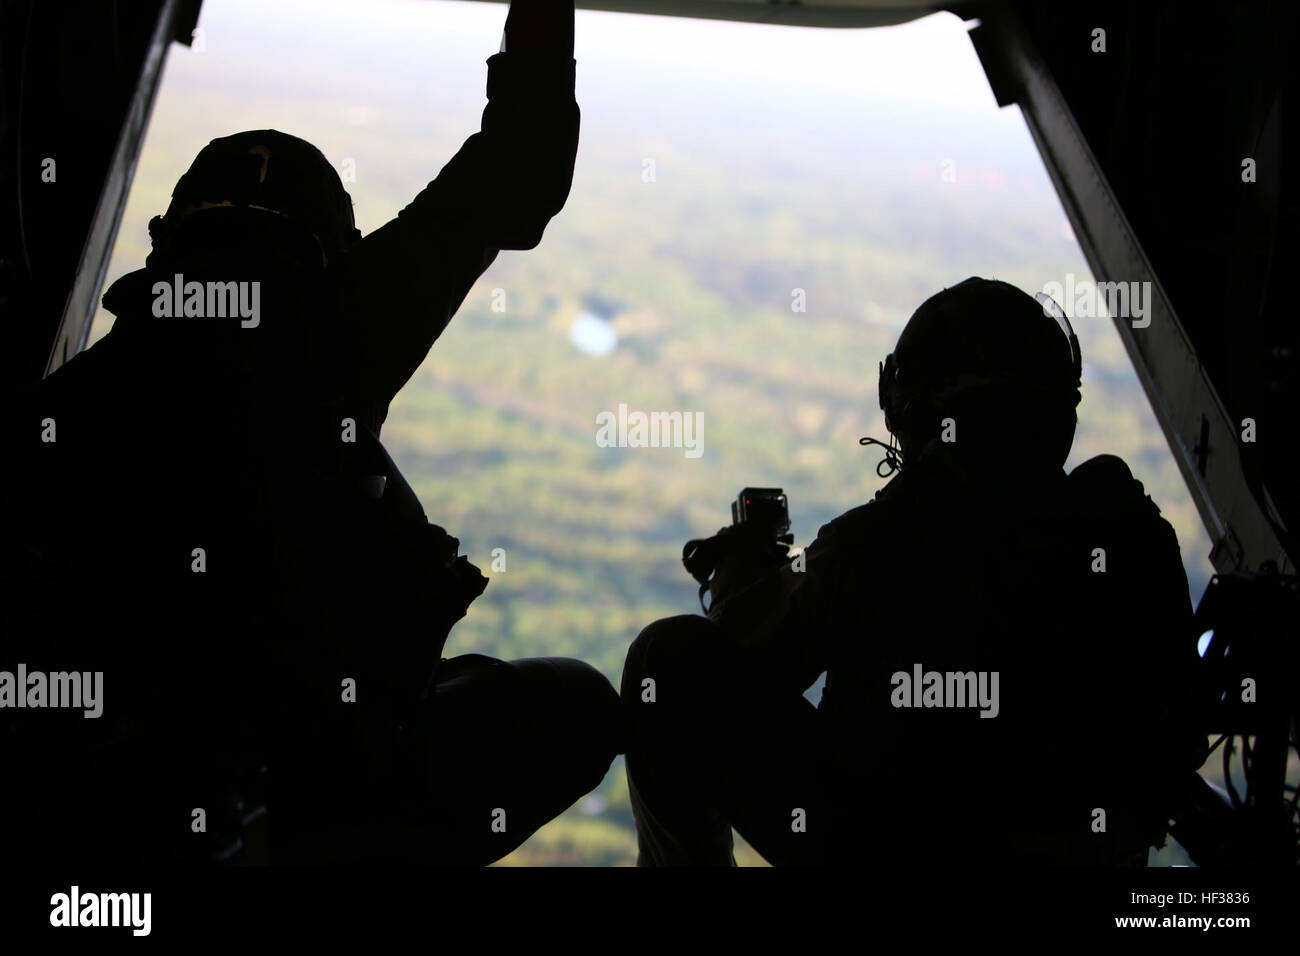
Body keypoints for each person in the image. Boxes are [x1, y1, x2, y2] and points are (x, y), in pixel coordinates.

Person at [5, 0, 623, 866]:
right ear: (329, 245)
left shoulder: (65, 405)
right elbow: (518, 170)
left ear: (167, 243)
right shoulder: (334, 327)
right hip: (307, 791)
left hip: (95, 801)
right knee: (581, 705)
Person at [620, 277, 1204, 867]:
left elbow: (747, 652)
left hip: (895, 850)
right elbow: (1179, 741)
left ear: (924, 412)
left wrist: (738, 575)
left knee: (665, 660)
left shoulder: (894, 534)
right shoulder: (1129, 530)